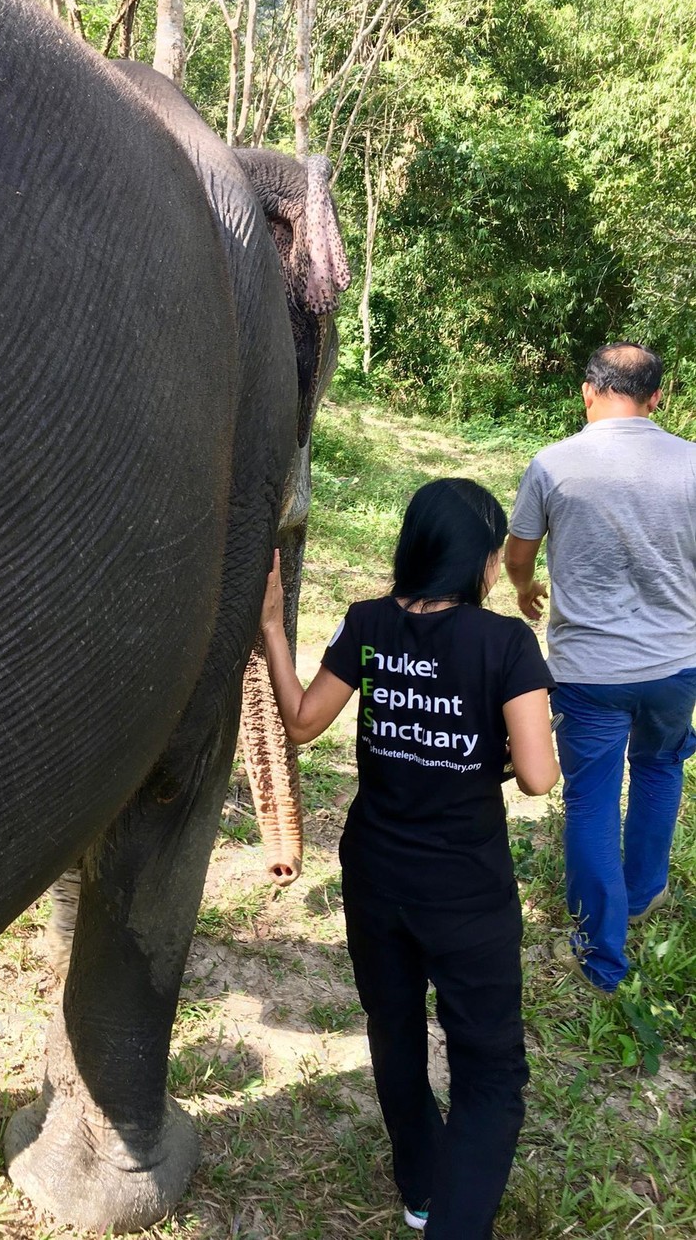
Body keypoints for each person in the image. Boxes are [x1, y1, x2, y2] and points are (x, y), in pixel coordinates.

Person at [261, 478, 558, 1240]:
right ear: (484, 563)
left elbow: (300, 722)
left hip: (375, 876)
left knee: (393, 1028)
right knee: (490, 1072)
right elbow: (536, 775)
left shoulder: (365, 623)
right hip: (466, 892)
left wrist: (270, 624)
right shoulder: (506, 645)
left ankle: (423, 1183)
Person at [505, 341, 696, 996]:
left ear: (588, 391)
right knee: (660, 767)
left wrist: (525, 589)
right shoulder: (693, 464)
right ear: (657, 397)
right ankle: (643, 892)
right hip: (676, 665)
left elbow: (519, 551)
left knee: (590, 800)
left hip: (590, 672)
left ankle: (599, 955)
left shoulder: (554, 465)